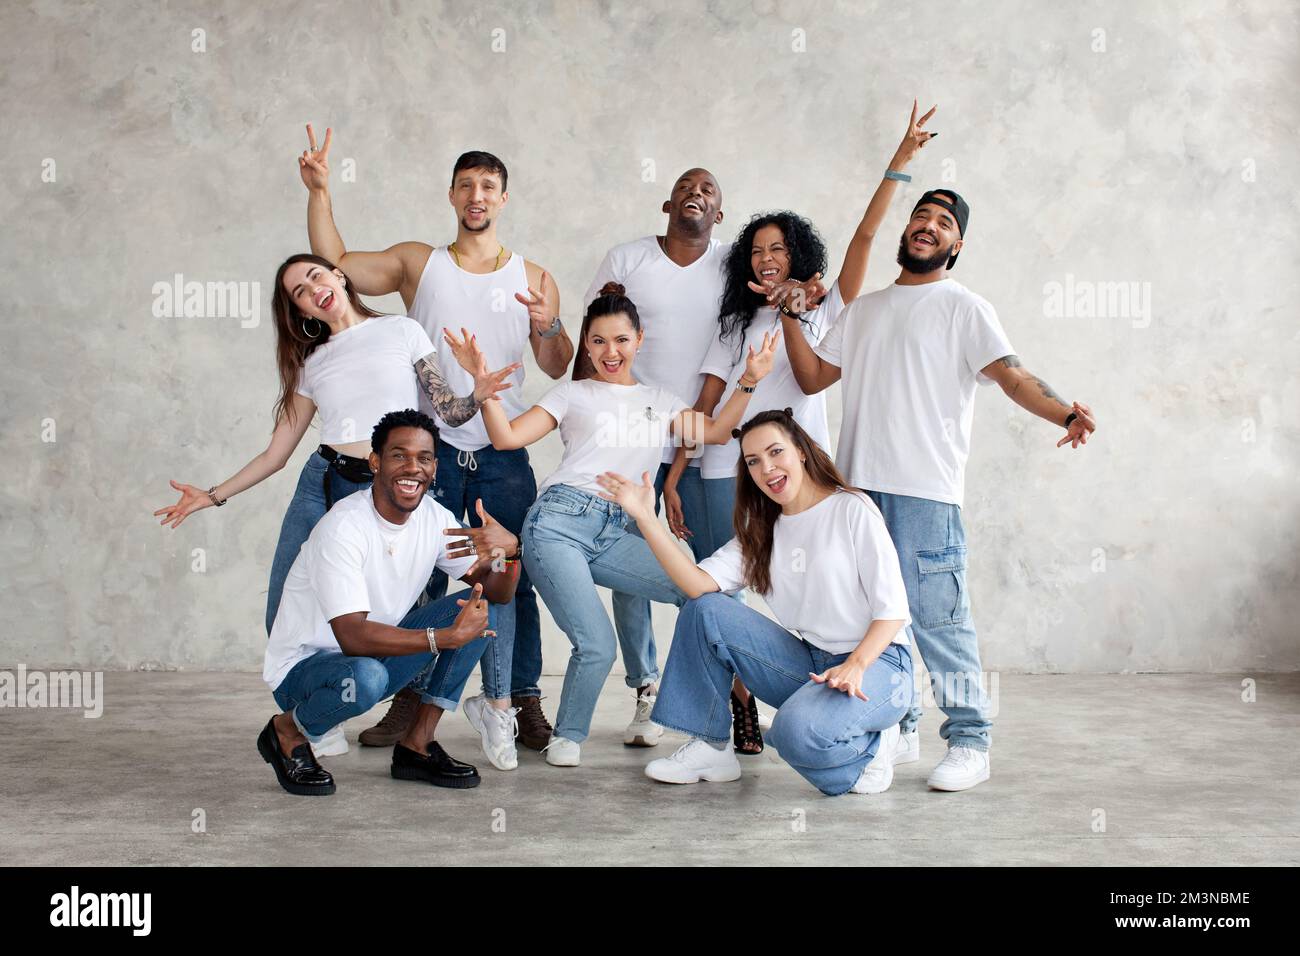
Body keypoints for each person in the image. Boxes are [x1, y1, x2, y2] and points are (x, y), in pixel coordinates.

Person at [779, 135, 1098, 791]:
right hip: (858, 493)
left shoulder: (965, 308)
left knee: (940, 624)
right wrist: (788, 317)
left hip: (926, 492)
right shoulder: (865, 312)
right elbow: (811, 378)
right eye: (921, 215)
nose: (928, 225)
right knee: (872, 619)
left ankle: (972, 742)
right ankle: (899, 727)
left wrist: (1065, 413)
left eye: (944, 222)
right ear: (908, 230)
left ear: (956, 246)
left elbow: (1012, 377)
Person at [153, 254, 513, 759]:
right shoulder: (312, 362)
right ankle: (314, 716)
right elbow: (276, 453)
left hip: (392, 482)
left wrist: (478, 392)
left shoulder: (402, 330)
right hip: (324, 481)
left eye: (315, 275)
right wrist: (212, 496)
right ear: (301, 310)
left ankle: (391, 716)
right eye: (299, 291)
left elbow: (448, 413)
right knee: (286, 604)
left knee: (392, 604)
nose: (312, 288)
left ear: (339, 277)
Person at [671, 101, 935, 753]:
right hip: (723, 472)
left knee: (836, 588)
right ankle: (730, 721)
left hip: (795, 476)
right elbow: (705, 404)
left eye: (778, 248)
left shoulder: (826, 307)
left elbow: (865, 239)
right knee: (720, 598)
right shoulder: (734, 323)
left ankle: (884, 705)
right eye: (756, 250)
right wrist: (674, 476)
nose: (766, 258)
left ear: (798, 255)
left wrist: (897, 165)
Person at [299, 127, 572, 751]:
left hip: (502, 452)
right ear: (452, 195)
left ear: (504, 198)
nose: (477, 195)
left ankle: (522, 698)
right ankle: (410, 697)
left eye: (489, 186)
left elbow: (558, 364)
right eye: (466, 185)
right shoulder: (418, 262)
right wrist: (319, 191)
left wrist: (549, 323)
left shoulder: (534, 276)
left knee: (510, 574)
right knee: (420, 575)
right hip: (433, 451)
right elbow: (336, 265)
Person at [460, 282, 779, 767]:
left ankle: (701, 726)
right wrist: (484, 394)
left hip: (618, 528)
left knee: (700, 595)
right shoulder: (572, 393)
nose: (611, 352)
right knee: (597, 644)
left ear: (639, 339)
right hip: (559, 523)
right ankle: (568, 736)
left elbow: (715, 432)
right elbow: (506, 438)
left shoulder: (660, 400)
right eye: (599, 341)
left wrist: (749, 380)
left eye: (621, 340)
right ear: (587, 346)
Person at [595, 409, 912, 796]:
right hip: (813, 665)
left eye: (776, 452)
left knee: (793, 735)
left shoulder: (851, 508)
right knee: (705, 609)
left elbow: (892, 611)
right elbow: (696, 584)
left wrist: (855, 665)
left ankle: (872, 745)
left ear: (801, 451)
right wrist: (646, 518)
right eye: (753, 461)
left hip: (878, 664)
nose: (767, 468)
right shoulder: (762, 531)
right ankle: (711, 748)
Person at [258, 409, 523, 796]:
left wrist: (507, 553)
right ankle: (285, 731)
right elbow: (352, 637)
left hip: (372, 657)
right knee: (366, 678)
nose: (413, 468)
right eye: (399, 455)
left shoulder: (434, 518)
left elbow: (497, 592)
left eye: (424, 458)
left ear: (434, 467)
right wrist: (442, 638)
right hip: (304, 673)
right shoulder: (343, 528)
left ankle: (417, 745)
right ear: (375, 462)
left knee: (481, 609)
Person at [580, 168, 731, 747]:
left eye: (709, 190)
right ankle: (646, 688)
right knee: (632, 573)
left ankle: (726, 694)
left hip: (703, 438)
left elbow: (736, 345)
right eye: (687, 186)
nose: (697, 193)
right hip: (635, 439)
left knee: (719, 569)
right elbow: (593, 347)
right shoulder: (627, 260)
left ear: (719, 214)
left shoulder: (730, 265)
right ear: (668, 203)